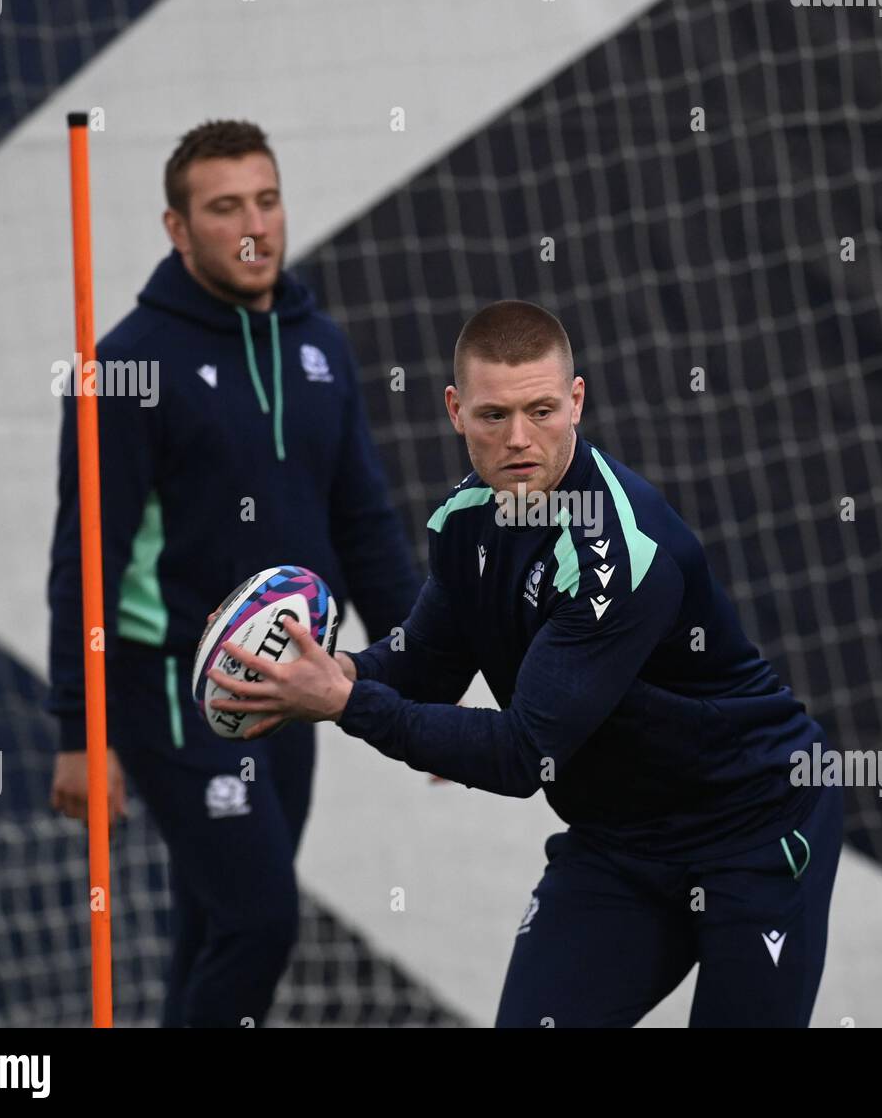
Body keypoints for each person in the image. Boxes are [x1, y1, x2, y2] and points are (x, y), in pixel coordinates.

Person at [208, 299, 843, 1027]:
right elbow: (425, 667)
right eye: (493, 416)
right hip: (618, 848)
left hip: (753, 831)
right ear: (454, 410)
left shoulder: (621, 556)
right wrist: (329, 670)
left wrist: (345, 703)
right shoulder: (464, 518)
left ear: (577, 401)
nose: (519, 440)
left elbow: (521, 756)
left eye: (541, 410)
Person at [46, 120, 419, 1027]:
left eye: (266, 199)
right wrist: (77, 730)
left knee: (212, 929)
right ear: (177, 229)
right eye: (223, 209)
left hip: (292, 689)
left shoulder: (320, 346)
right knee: (260, 923)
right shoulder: (129, 365)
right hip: (174, 693)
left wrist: (424, 676)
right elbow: (85, 553)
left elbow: (364, 524)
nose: (253, 227)